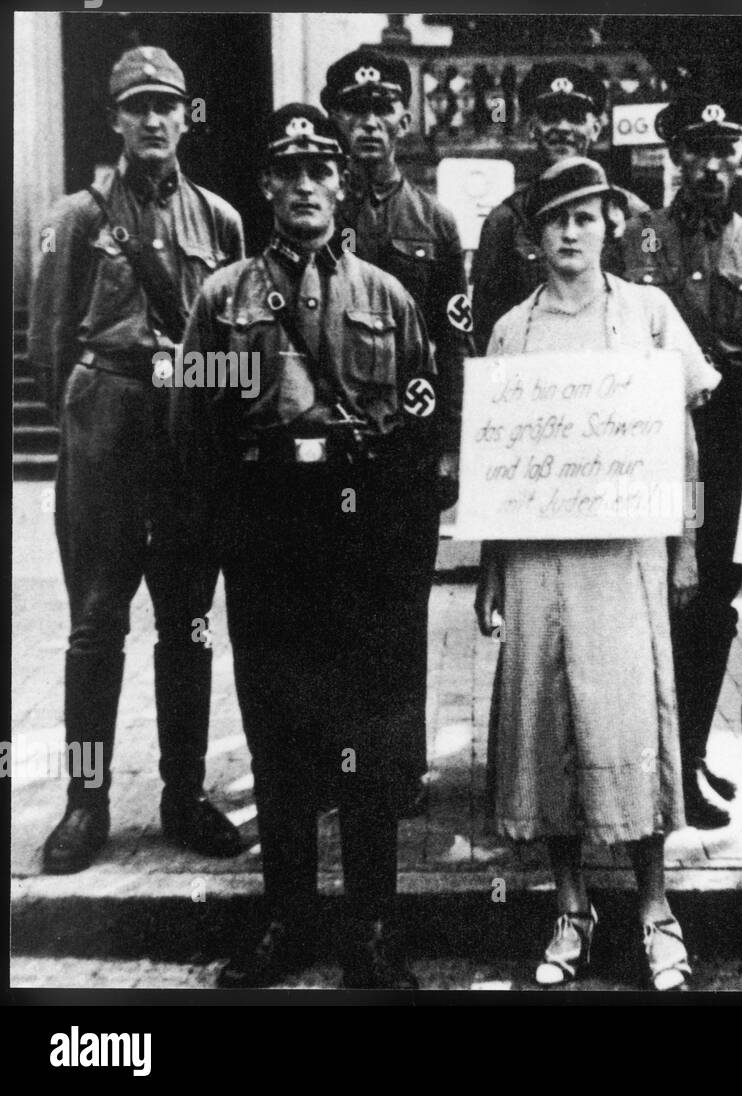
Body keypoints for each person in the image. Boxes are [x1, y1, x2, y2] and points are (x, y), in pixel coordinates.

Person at [171, 105, 454, 989]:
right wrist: (213, 541)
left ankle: (371, 926)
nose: (305, 186)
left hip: (362, 531)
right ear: (266, 187)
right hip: (269, 530)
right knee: (280, 729)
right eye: (287, 172)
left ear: (341, 186)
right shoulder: (225, 300)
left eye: (320, 171)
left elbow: (420, 428)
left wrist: (406, 553)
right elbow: (194, 430)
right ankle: (287, 920)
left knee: (367, 734)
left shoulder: (387, 297)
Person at [474, 156, 720, 991]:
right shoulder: (512, 329)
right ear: (533, 234)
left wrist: (686, 543)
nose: (571, 231)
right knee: (548, 723)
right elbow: (498, 455)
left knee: (629, 726)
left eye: (586, 215)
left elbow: (684, 442)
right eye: (556, 219)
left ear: (612, 222)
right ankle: (570, 906)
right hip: (542, 556)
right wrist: (493, 565)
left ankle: (655, 909)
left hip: (625, 555)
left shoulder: (649, 314)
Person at [29, 46, 245, 874]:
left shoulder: (219, 220)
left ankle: (183, 795)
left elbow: (230, 339)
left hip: (186, 435)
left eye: (167, 105)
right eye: (137, 106)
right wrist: (92, 422)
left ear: (189, 116)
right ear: (115, 118)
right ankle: (86, 803)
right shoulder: (75, 217)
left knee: (187, 622)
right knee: (94, 626)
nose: (154, 120)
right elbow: (50, 350)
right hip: (109, 429)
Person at [621, 93, 742, 828]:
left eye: (724, 151)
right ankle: (644, 767)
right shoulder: (632, 243)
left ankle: (687, 757)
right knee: (640, 611)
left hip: (724, 455)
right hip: (641, 448)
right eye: (696, 150)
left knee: (708, 610)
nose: (710, 166)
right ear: (674, 157)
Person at [322, 47, 466, 817]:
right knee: (326, 604)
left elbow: (453, 344)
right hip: (326, 451)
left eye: (383, 111)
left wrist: (449, 445)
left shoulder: (435, 224)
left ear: (404, 122)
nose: (369, 124)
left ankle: (398, 765)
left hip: (404, 451)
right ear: (335, 119)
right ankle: (331, 760)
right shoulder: (312, 207)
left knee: (400, 609)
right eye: (354, 110)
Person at [469, 61, 648, 348]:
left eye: (575, 118)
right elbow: (486, 329)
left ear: (596, 128)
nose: (563, 128)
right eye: (551, 117)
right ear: (531, 129)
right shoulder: (504, 221)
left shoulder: (637, 217)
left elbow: (650, 306)